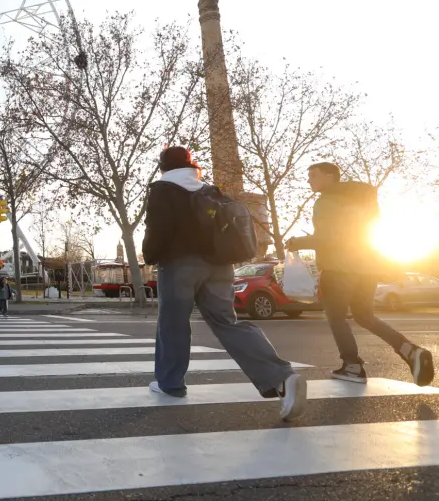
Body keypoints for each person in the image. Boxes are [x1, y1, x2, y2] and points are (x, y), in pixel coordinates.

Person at [143, 146, 307, 421]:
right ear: (191, 165)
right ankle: (282, 377)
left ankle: (170, 384)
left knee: (173, 324)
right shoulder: (210, 190)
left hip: (180, 265)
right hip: (220, 266)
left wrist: (150, 255)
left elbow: (157, 229)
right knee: (228, 323)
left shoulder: (163, 189)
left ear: (163, 167)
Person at [287, 162, 433, 386]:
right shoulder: (362, 199)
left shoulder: (325, 201)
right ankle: (409, 350)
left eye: (313, 175)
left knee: (336, 318)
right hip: (367, 269)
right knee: (365, 316)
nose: (309, 180)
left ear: (330, 176)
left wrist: (298, 242)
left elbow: (330, 237)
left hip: (339, 269)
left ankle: (352, 366)